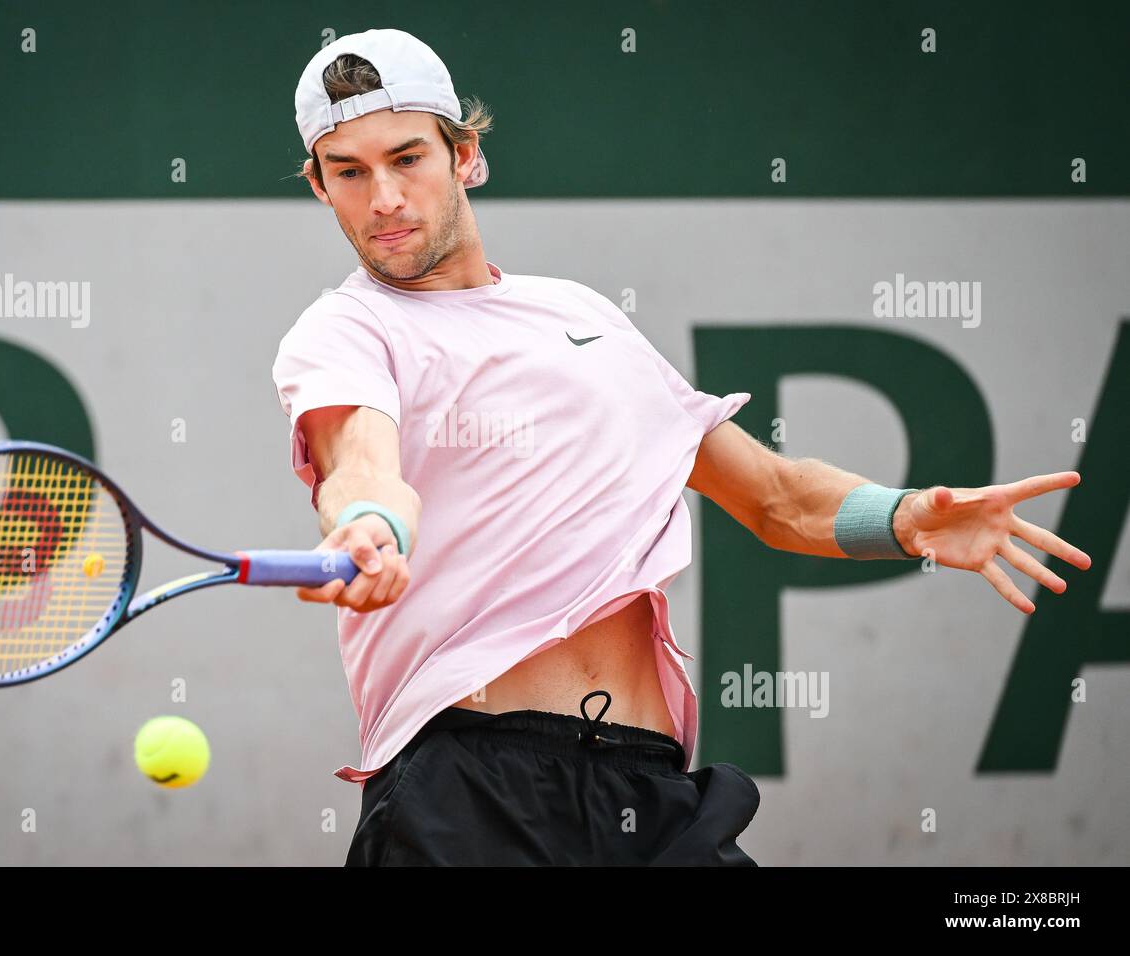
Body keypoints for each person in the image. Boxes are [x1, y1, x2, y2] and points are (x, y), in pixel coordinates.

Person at [273, 28, 1092, 866]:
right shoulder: (344, 330)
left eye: (407, 158)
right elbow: (362, 463)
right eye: (349, 171)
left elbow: (774, 497)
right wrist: (373, 523)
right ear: (320, 187)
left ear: (466, 154)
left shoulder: (584, 318)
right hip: (469, 796)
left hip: (651, 793)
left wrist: (908, 519)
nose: (384, 198)